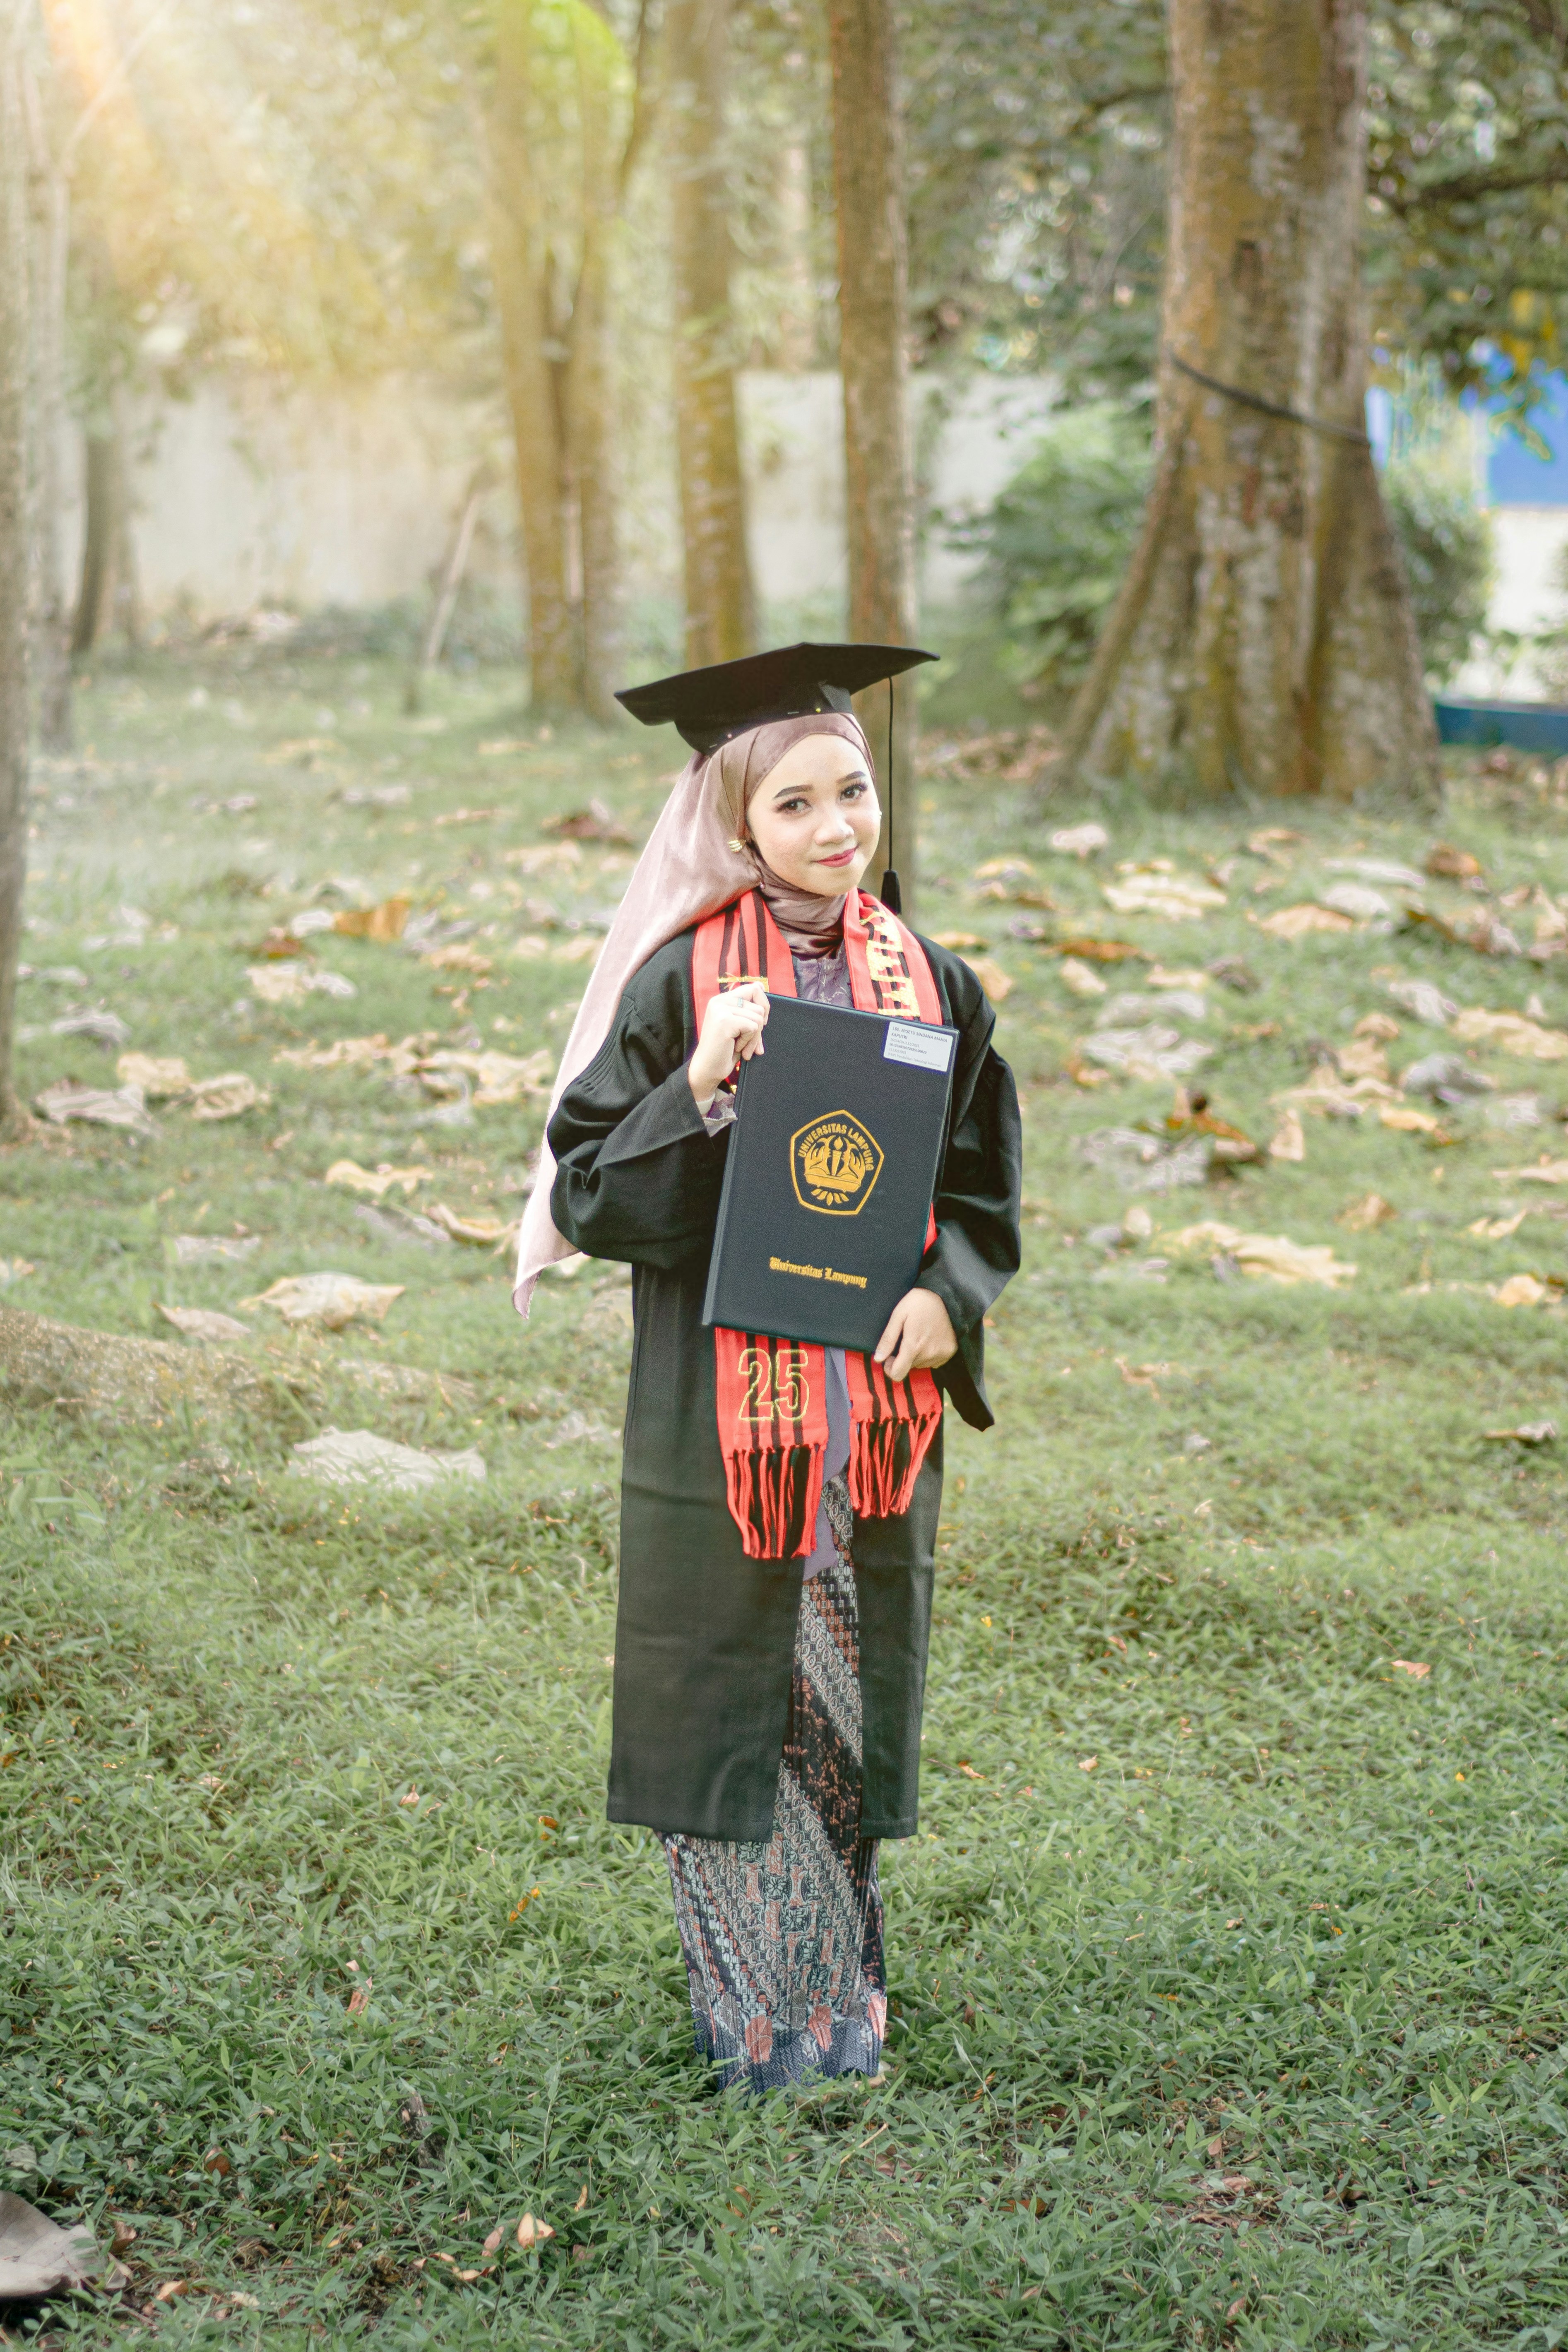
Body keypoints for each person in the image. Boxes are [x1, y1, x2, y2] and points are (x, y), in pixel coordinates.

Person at [513, 643, 1022, 2093]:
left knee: (836, 1689)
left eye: (850, 790)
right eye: (790, 803)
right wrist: (697, 1086)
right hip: (720, 1411)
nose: (832, 825)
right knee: (729, 1683)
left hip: (869, 1409)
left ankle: (840, 1994)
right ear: (734, 827)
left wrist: (948, 1295)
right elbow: (593, 1190)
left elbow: (979, 1190)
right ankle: (749, 2011)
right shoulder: (682, 983)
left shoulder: (935, 983)